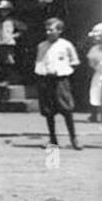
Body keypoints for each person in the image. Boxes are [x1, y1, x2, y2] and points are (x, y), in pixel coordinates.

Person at [34, 17, 81, 149]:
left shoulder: (66, 45)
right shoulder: (42, 46)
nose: (49, 32)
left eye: (52, 30)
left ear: (59, 31)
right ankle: (53, 139)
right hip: (46, 79)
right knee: (48, 110)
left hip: (61, 80)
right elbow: (39, 62)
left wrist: (64, 71)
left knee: (66, 109)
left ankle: (74, 138)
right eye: (47, 30)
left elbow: (74, 62)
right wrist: (41, 73)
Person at [0, 0, 21, 86]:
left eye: (5, 10)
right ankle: (3, 79)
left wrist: (14, 36)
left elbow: (23, 29)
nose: (2, 12)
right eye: (1, 10)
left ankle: (10, 79)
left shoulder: (12, 21)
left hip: (8, 43)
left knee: (9, 61)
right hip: (0, 43)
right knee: (1, 61)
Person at [87, 23, 102, 123]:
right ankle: (94, 115)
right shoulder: (95, 49)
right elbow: (91, 63)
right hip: (99, 73)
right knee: (95, 94)